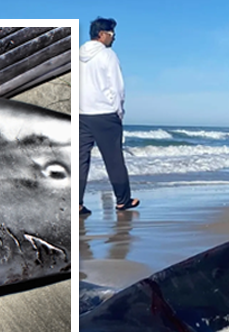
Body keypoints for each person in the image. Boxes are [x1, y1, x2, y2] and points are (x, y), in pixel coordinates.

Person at [79, 17, 138, 215]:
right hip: (105, 113)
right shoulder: (107, 55)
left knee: (80, 160)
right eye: (112, 34)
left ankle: (76, 203)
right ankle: (123, 200)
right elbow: (117, 88)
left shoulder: (77, 54)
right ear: (102, 34)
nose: (114, 38)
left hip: (82, 114)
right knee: (114, 159)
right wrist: (119, 111)